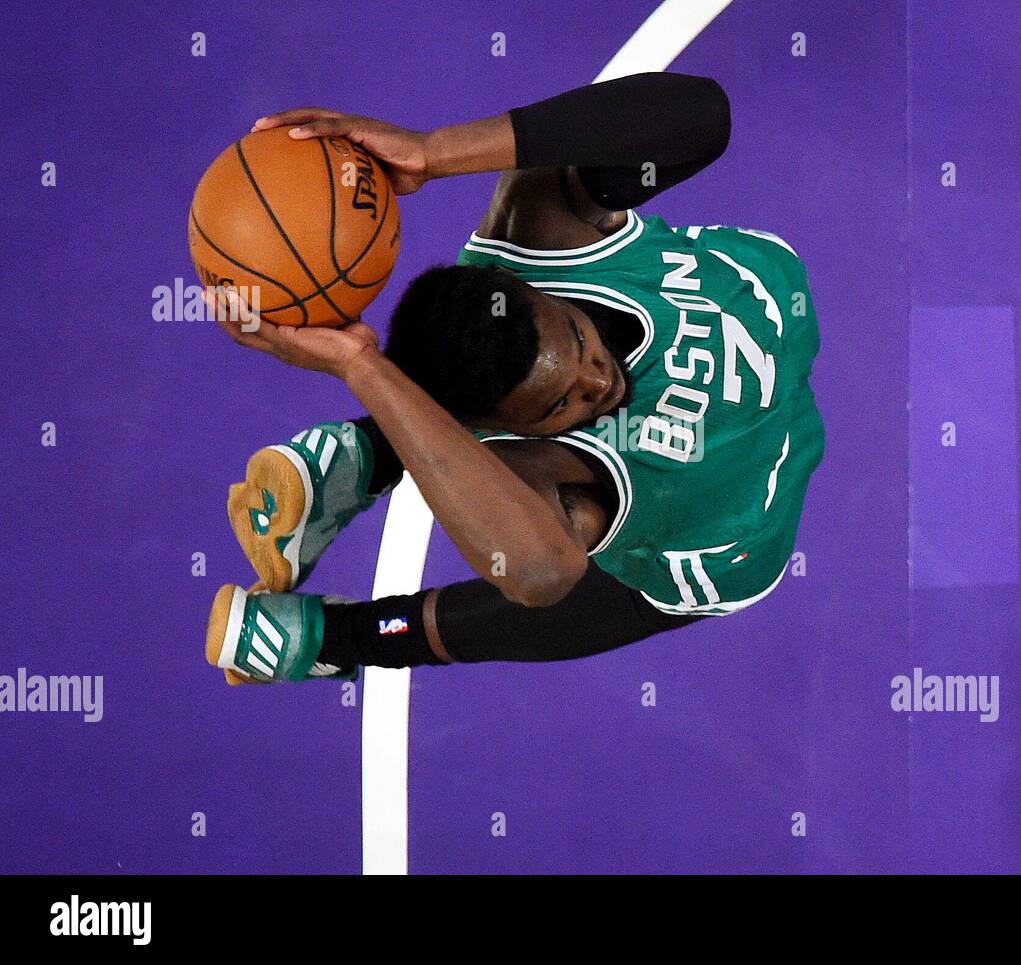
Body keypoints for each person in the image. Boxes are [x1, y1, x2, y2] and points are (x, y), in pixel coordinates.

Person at [205, 72, 825, 685]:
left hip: (772, 322)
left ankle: (361, 492)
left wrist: (431, 152)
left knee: (605, 567)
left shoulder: (538, 227)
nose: (598, 383)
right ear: (503, 434)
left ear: (527, 279)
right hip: (743, 490)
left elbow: (701, 112)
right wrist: (359, 364)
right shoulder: (544, 466)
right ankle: (348, 556)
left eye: (579, 343)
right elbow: (538, 571)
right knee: (591, 579)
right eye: (562, 404)